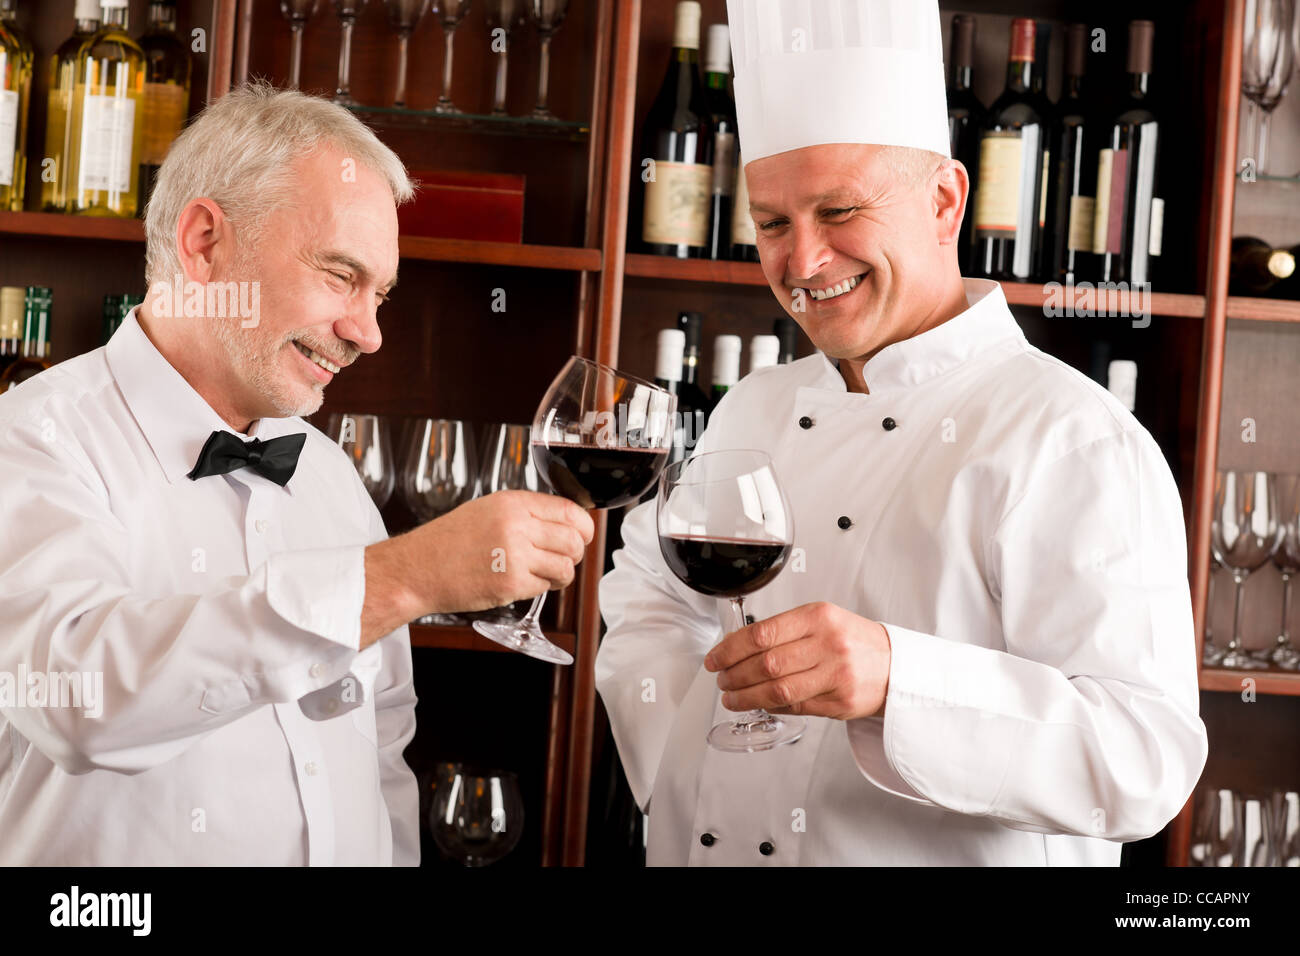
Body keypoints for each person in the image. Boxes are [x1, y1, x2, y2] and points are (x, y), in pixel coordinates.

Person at [596, 0, 1207, 865]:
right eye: (772, 223)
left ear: (945, 200)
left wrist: (899, 681)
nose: (802, 262)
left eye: (839, 210)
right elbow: (649, 596)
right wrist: (680, 761)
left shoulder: (1071, 438)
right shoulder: (752, 408)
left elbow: (1143, 762)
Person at [0, 81, 593, 865]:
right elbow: (79, 700)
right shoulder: (32, 439)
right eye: (341, 275)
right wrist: (404, 579)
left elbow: (382, 747)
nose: (369, 333)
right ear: (205, 244)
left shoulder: (327, 473)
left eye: (380, 295)